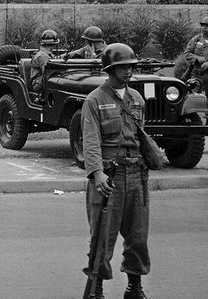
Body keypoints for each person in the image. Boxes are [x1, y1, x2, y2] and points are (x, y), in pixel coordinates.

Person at [81, 43, 152, 299]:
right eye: (122, 67)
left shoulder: (137, 99)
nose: (128, 71)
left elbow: (140, 136)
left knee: (138, 237)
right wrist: (97, 173)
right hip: (109, 178)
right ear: (110, 70)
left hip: (136, 176)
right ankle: (96, 289)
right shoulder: (95, 100)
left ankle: (134, 288)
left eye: (131, 67)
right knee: (102, 237)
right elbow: (90, 140)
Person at [177, 15, 208, 88]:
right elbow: (187, 53)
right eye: (203, 26)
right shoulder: (195, 40)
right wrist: (197, 58)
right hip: (196, 75)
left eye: (207, 26)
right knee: (195, 96)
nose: (204, 28)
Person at [31, 29, 61, 101]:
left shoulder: (47, 54)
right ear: (53, 45)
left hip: (42, 81)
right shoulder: (42, 56)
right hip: (39, 83)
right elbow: (47, 74)